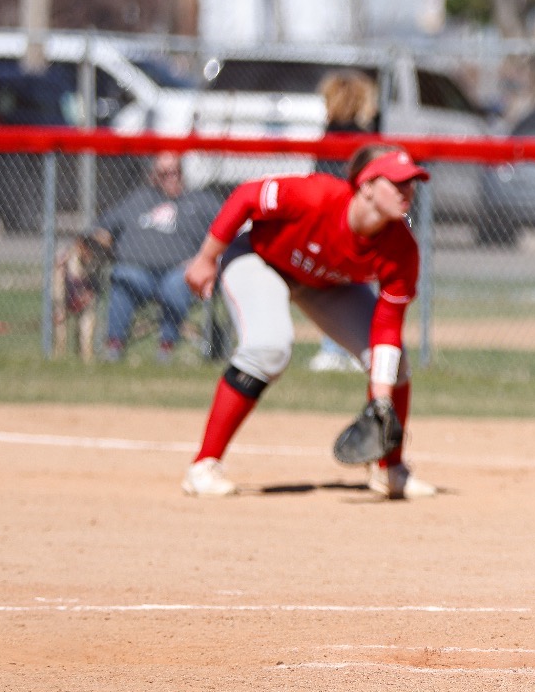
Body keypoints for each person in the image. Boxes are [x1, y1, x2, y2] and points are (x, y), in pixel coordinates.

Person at [177, 144, 437, 501]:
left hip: (327, 283)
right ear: (366, 186)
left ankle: (390, 470)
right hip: (261, 259)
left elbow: (388, 327)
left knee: (395, 365)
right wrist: (207, 258)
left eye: (411, 183)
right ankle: (203, 466)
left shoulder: (401, 248)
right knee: (268, 347)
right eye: (396, 183)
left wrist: (381, 396)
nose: (407, 191)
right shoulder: (317, 195)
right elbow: (246, 197)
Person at [92, 152, 221, 363]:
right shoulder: (138, 199)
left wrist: (204, 259)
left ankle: (166, 349)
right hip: (139, 273)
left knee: (176, 284)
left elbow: (228, 231)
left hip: (182, 272)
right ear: (153, 175)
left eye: (176, 172)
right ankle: (113, 347)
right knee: (122, 276)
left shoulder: (200, 202)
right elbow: (103, 230)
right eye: (165, 173)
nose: (172, 177)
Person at [310, 71, 382, 373]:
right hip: (352, 219)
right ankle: (356, 348)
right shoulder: (363, 140)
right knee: (353, 284)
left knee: (339, 284)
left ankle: (343, 349)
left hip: (348, 220)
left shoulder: (340, 139)